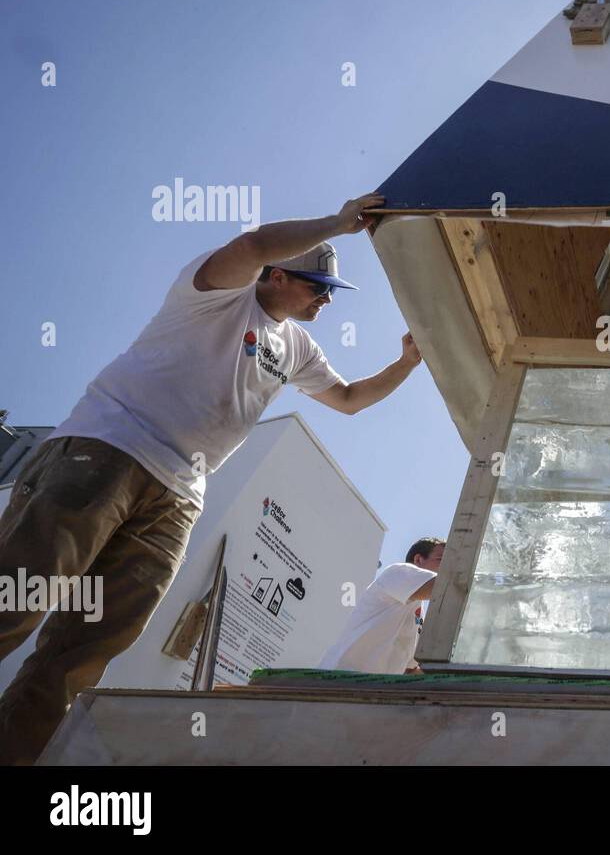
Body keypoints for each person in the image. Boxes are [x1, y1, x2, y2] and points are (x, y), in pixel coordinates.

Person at [0, 193, 425, 764]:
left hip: (175, 499)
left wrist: (406, 363)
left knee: (82, 653)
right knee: (17, 600)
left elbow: (348, 400)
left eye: (330, 292)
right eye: (315, 286)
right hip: (107, 453)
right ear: (276, 275)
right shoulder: (217, 293)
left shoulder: (297, 347)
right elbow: (248, 246)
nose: (326, 299)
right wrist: (336, 224)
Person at [320, 538, 445, 675]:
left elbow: (408, 669)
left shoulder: (418, 616)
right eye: (442, 561)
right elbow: (446, 587)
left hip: (372, 690)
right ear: (418, 560)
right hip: (339, 680)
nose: (447, 568)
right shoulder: (399, 572)